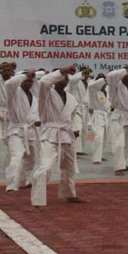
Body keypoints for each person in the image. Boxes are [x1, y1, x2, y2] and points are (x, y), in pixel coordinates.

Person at [30, 65, 86, 209]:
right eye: (61, 77)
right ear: (55, 79)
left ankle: (69, 194)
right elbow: (44, 81)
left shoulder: (71, 98)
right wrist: (61, 72)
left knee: (69, 167)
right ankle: (37, 201)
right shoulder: (46, 94)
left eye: (66, 78)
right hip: (50, 134)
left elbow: (74, 116)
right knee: (45, 166)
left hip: (66, 134)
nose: (63, 80)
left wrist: (75, 128)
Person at [4, 69, 38, 193]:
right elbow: (9, 83)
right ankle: (11, 185)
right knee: (17, 156)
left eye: (30, 81)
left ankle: (22, 181)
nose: (28, 83)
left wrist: (37, 120)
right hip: (16, 130)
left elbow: (34, 113)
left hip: (30, 130)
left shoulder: (34, 96)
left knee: (31, 158)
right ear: (20, 80)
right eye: (25, 80)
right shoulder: (13, 93)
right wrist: (24, 75)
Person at [106, 67, 128, 176]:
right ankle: (118, 167)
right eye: (126, 74)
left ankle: (123, 163)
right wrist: (125, 70)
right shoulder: (115, 86)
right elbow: (110, 76)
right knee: (119, 143)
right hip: (118, 116)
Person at [66, 67, 91, 155]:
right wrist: (82, 73)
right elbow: (73, 80)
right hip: (76, 108)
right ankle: (75, 150)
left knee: (85, 130)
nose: (86, 75)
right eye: (85, 73)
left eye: (87, 74)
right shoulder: (75, 82)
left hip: (85, 109)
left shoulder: (89, 83)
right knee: (77, 128)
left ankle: (81, 149)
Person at [87, 74, 110, 164]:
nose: (104, 84)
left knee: (104, 138)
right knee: (99, 137)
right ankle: (96, 158)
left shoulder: (106, 90)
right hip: (97, 116)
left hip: (106, 116)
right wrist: (103, 80)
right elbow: (91, 86)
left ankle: (99, 155)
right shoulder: (93, 90)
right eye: (102, 82)